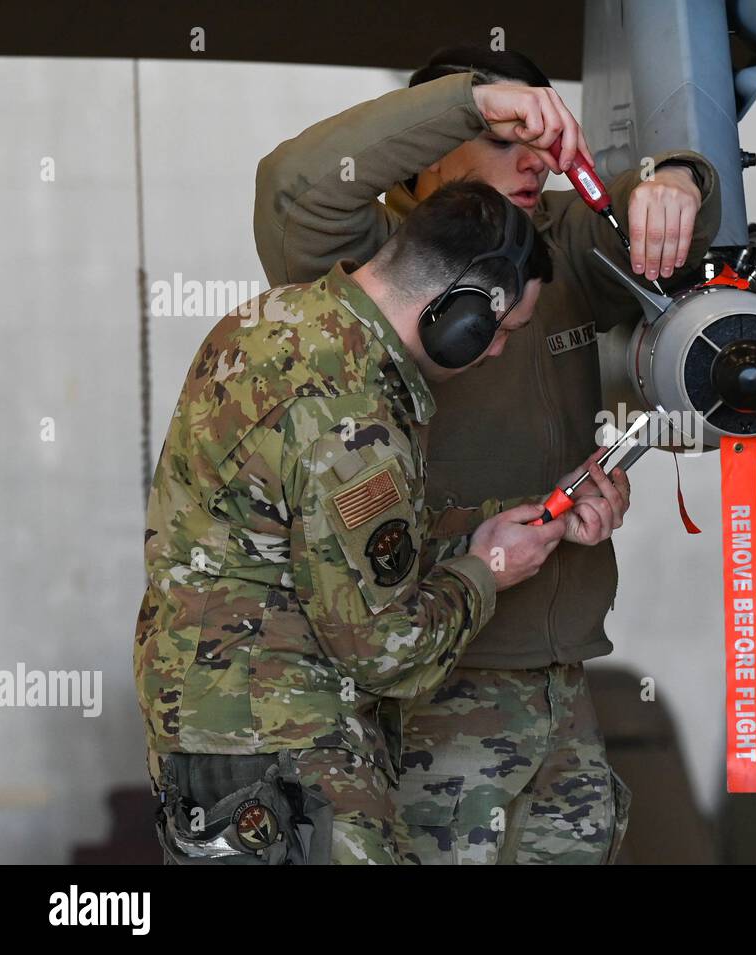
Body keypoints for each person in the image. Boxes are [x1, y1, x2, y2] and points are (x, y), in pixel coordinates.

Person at [254, 45, 721, 863]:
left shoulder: (565, 246)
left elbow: (683, 226)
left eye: (542, 137)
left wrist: (678, 179)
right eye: (506, 137)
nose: (535, 159)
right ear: (429, 151)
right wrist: (470, 101)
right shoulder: (377, 263)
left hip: (561, 676)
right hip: (427, 678)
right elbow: (294, 184)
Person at [135, 180, 627, 864]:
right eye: (500, 335)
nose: (493, 355)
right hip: (277, 746)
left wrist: (503, 527)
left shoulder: (272, 321)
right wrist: (488, 574)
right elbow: (388, 651)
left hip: (219, 732)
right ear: (460, 317)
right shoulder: (355, 418)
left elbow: (319, 538)